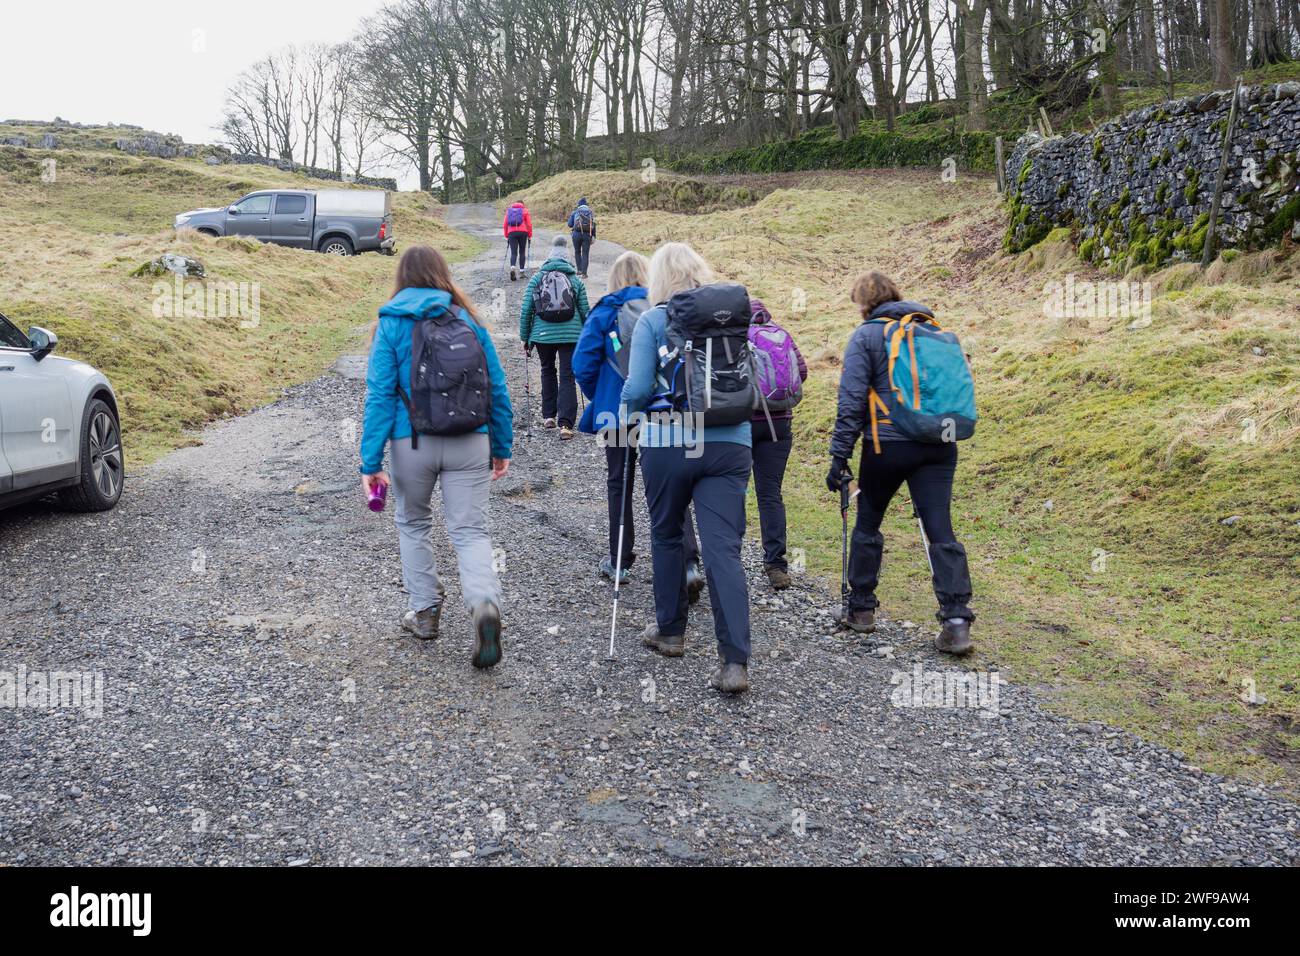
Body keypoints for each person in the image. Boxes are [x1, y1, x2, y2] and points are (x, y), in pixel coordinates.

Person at [360, 245, 514, 670]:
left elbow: (378, 396)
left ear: (402, 277)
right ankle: (484, 603)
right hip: (471, 440)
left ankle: (425, 613)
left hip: (412, 444)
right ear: (443, 275)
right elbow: (497, 388)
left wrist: (369, 463)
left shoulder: (390, 323)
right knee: (470, 531)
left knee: (412, 522)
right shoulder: (467, 319)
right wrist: (501, 447)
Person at [621, 242, 752, 695]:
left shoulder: (654, 319)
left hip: (668, 441)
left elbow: (638, 387)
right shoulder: (732, 319)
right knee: (723, 551)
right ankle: (734, 662)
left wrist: (624, 417)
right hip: (730, 442)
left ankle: (671, 632)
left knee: (667, 533)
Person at [826, 271, 975, 655]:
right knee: (939, 527)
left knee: (869, 520)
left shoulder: (866, 335)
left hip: (887, 444)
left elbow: (852, 400)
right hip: (939, 443)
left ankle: (861, 610)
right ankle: (957, 621)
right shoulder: (932, 330)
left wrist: (839, 455)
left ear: (863, 302)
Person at [573, 250, 649, 583]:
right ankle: (687, 561)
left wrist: (601, 393)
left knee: (619, 481)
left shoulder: (606, 310)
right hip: (660, 413)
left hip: (617, 412)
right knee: (670, 484)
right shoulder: (663, 307)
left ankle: (620, 558)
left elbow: (582, 364)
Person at [748, 298, 808, 591]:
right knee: (770, 493)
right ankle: (776, 565)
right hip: (779, 424)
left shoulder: (738, 337)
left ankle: (727, 558)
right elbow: (803, 372)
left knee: (733, 488)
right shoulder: (781, 333)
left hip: (744, 423)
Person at [519, 235, 588, 440]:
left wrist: (525, 338)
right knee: (568, 375)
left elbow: (526, 310)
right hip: (571, 335)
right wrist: (587, 336)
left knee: (547, 370)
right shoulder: (575, 279)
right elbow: (585, 311)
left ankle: (549, 416)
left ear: (549, 258)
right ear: (568, 259)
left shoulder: (537, 278)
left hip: (542, 335)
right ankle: (566, 424)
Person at [502, 199, 533, 281]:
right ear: (522, 204)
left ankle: (512, 268)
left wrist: (506, 235)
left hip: (511, 233)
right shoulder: (525, 210)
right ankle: (522, 272)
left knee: (513, 252)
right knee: (522, 252)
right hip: (523, 232)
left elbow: (505, 224)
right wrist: (530, 235)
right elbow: (529, 224)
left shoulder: (509, 211)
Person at [567, 196, 596, 278]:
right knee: (585, 253)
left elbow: (569, 225)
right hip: (587, 235)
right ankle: (584, 273)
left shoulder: (575, 212)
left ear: (579, 205)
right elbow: (593, 225)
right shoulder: (590, 212)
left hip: (576, 234)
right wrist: (593, 236)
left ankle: (579, 270)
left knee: (577, 251)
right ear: (586, 205)